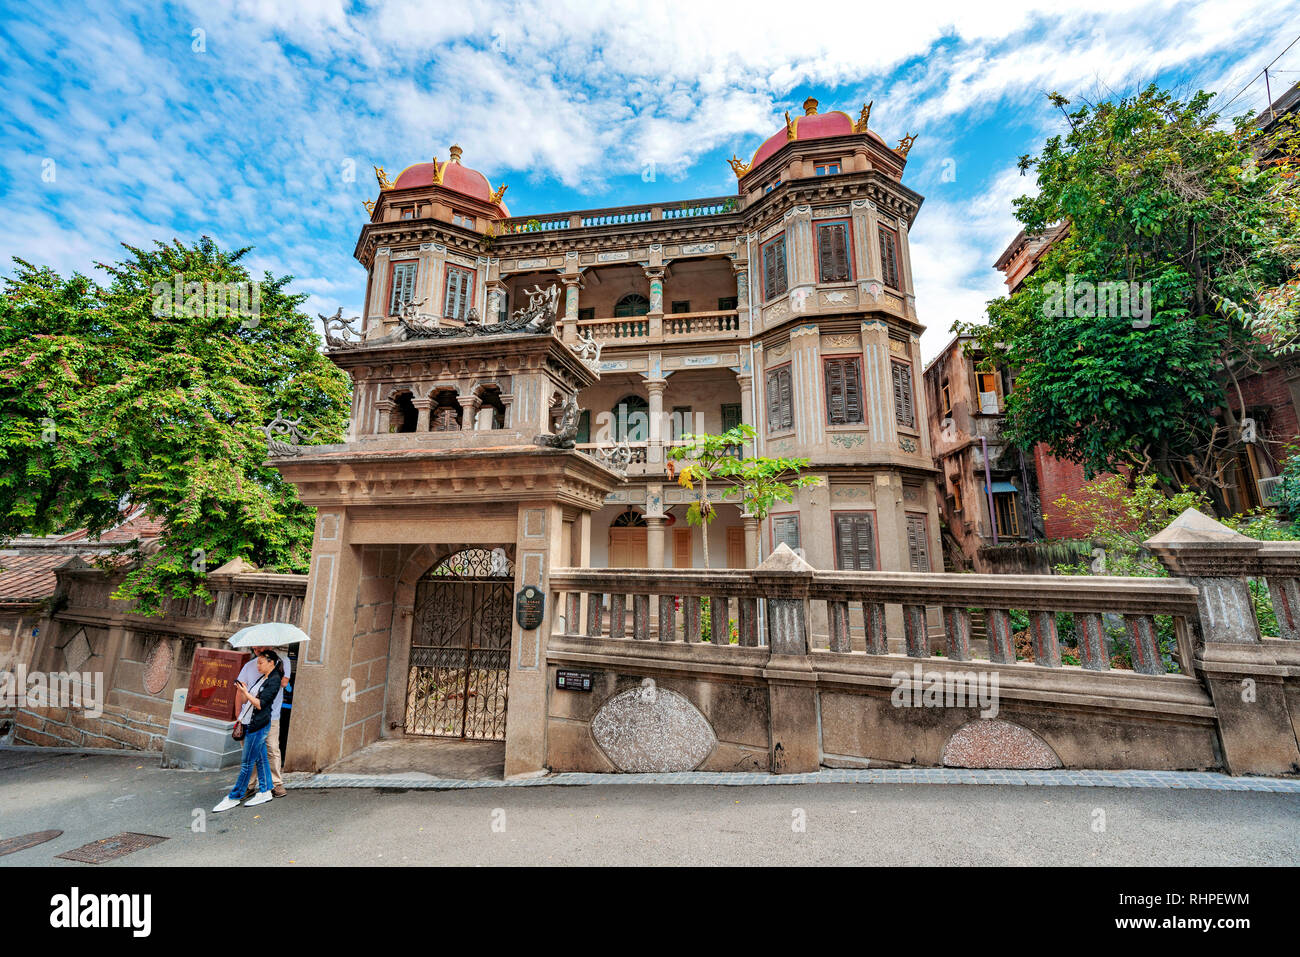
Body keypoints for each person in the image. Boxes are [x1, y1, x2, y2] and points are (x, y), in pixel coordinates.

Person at [213, 649, 283, 812]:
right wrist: (242, 690)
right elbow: (248, 699)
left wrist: (246, 692)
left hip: (258, 725)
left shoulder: (274, 680)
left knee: (247, 763)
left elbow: (260, 704)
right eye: (257, 662)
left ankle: (234, 796)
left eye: (261, 662)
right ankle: (265, 791)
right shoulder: (262, 677)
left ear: (271, 662)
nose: (257, 665)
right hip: (250, 722)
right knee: (261, 759)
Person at [235, 645, 291, 798]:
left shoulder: (282, 661)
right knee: (250, 751)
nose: (257, 651)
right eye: (254, 649)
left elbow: (284, 683)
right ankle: (249, 785)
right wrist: (238, 714)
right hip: (249, 717)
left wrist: (271, 671)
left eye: (261, 648)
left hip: (271, 715)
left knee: (272, 748)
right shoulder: (248, 666)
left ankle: (276, 783)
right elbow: (240, 692)